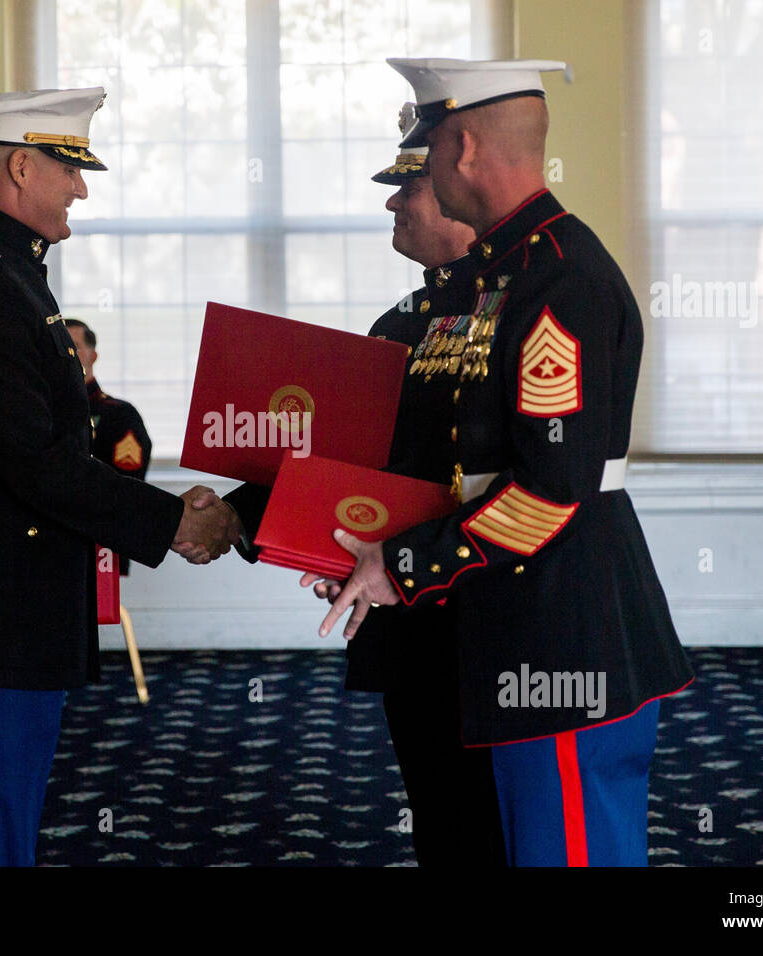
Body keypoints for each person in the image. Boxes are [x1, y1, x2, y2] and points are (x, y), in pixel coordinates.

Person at [313, 58, 695, 867]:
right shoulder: (499, 272)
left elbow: (552, 491)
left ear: (460, 146)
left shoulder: (560, 277)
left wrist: (402, 566)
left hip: (561, 634)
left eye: (426, 147)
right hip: (501, 620)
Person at [0, 87, 238, 867]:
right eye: (70, 169)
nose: (82, 187)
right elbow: (33, 460)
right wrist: (175, 522)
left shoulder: (5, 271)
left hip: (2, 606)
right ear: (23, 166)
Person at [224, 105, 504, 867]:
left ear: (450, 194)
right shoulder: (399, 324)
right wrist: (242, 519)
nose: (391, 202)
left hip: (489, 607)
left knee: (497, 820)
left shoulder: (512, 309)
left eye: (405, 187)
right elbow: (342, 458)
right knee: (439, 805)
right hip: (405, 613)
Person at [65, 317, 151, 575]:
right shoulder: (39, 411)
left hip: (99, 543)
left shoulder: (120, 415)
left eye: (75, 346)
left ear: (93, 355)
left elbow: (126, 484)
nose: (68, 353)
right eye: (62, 346)